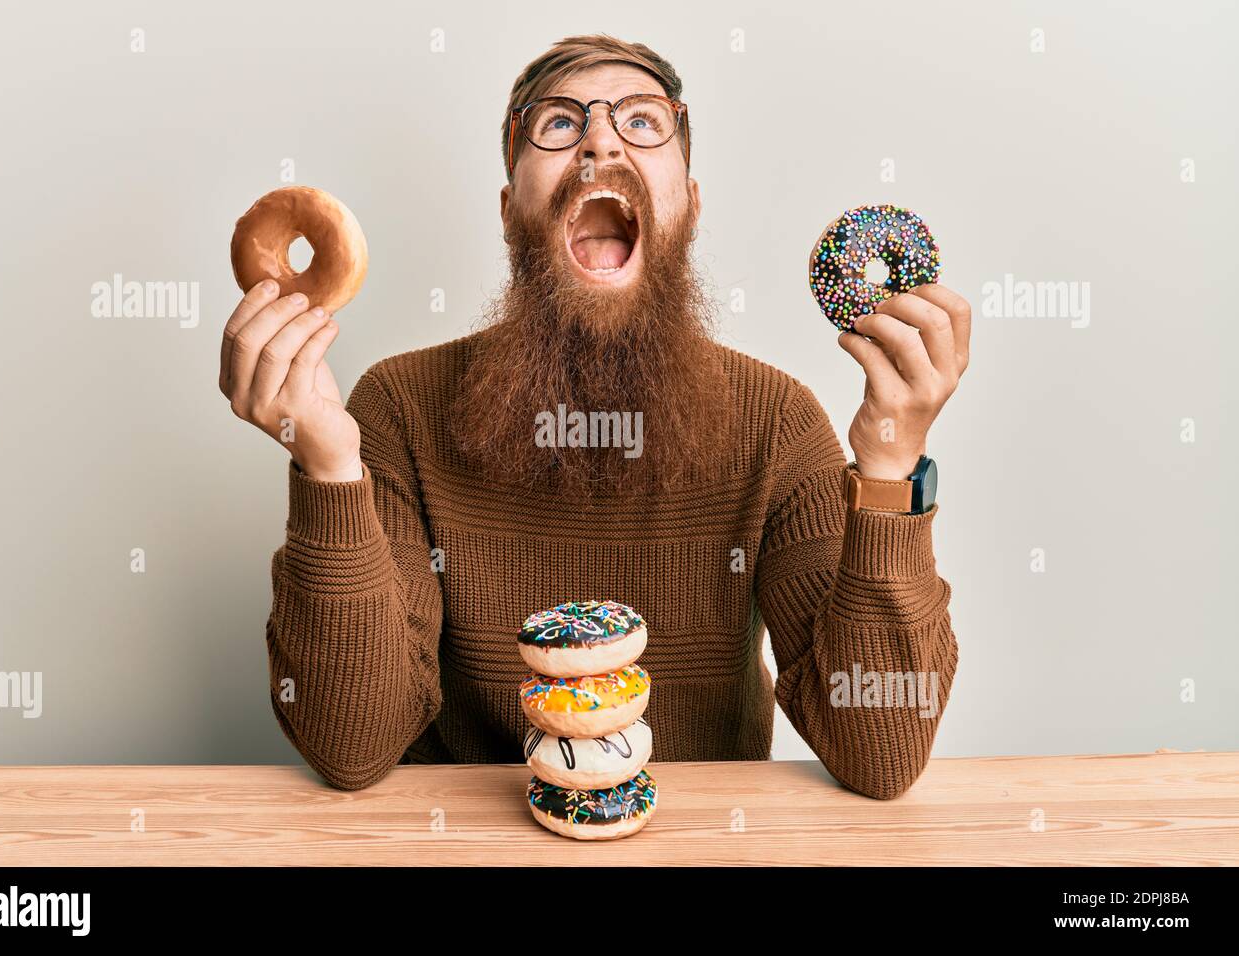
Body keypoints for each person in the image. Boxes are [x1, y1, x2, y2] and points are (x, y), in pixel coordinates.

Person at [219, 34, 970, 799]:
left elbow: (879, 755)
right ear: (512, 212)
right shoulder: (397, 411)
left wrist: (889, 466)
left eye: (644, 122)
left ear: (690, 205)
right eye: (558, 123)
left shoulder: (777, 424)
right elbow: (351, 745)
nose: (600, 140)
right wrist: (329, 470)